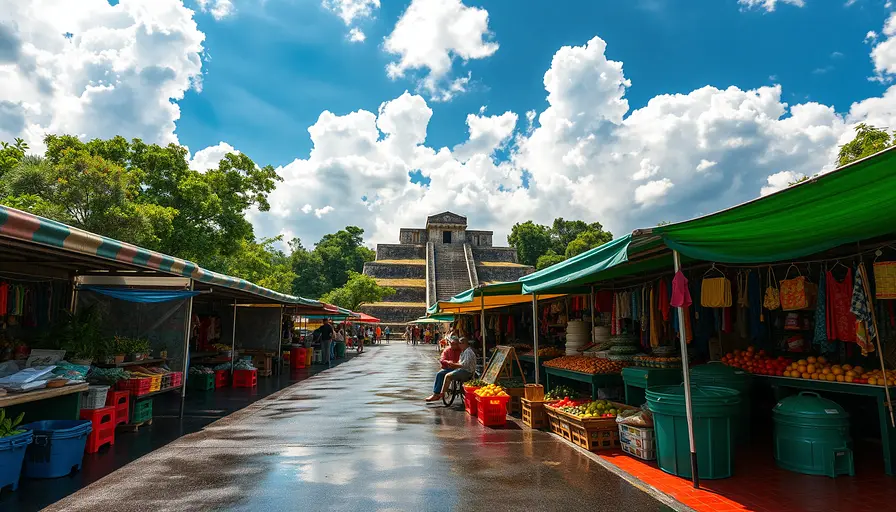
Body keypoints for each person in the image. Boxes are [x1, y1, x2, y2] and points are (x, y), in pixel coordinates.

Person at [425, 336, 461, 402]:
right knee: (440, 374)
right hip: (449, 368)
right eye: (452, 344)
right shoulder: (447, 350)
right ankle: (436, 394)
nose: (453, 345)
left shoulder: (461, 350)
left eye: (455, 344)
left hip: (460, 368)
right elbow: (442, 359)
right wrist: (448, 362)